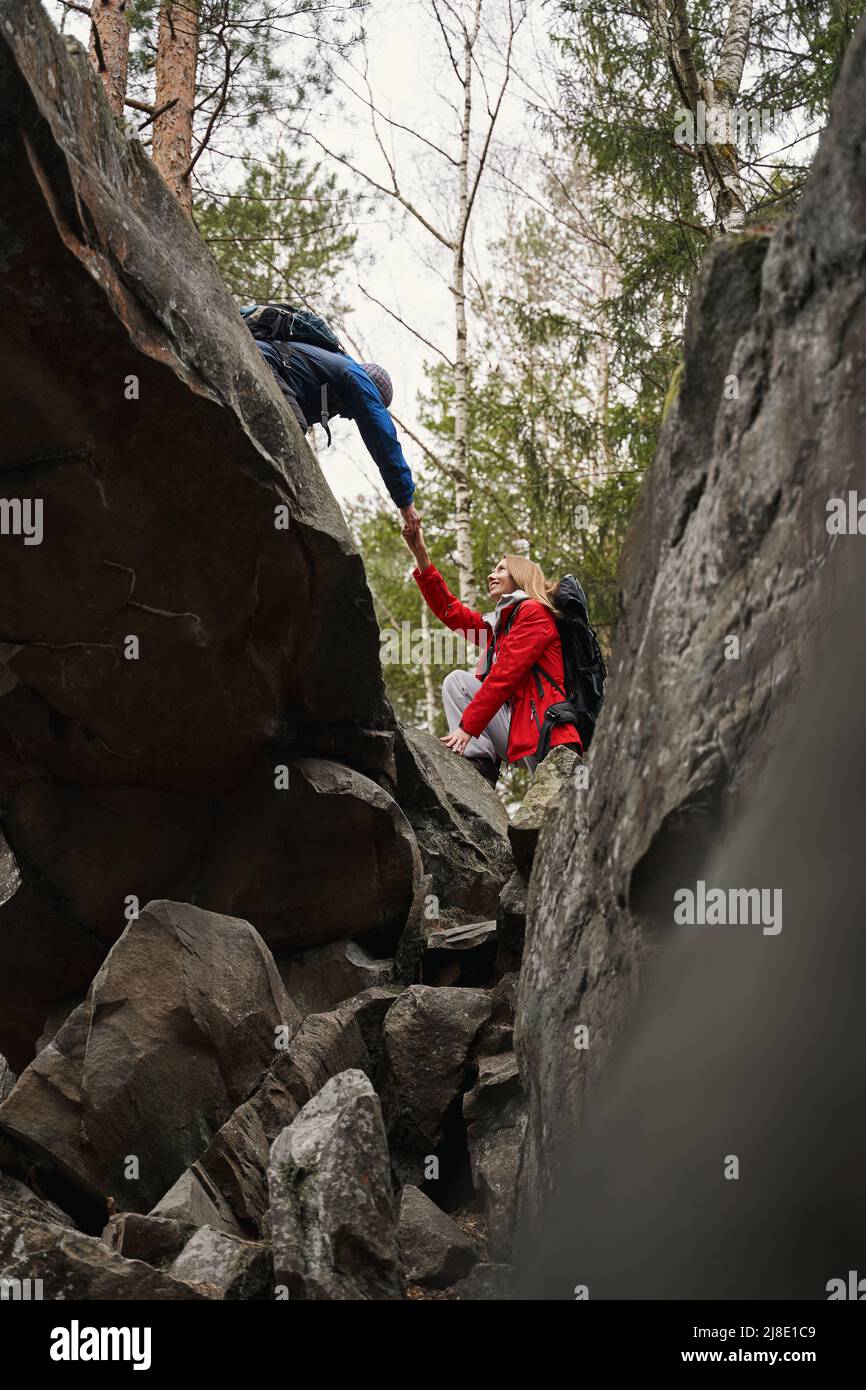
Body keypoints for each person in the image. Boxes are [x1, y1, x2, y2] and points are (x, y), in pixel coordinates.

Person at [403, 523, 582, 784]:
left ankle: (477, 756)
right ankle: (481, 764)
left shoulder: (533, 613)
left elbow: (504, 675)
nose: (491, 575)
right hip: (520, 727)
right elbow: (450, 611)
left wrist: (467, 729)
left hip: (549, 731)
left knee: (559, 815)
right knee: (457, 682)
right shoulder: (500, 628)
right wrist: (420, 554)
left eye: (501, 569)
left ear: (520, 576)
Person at [256, 337, 421, 534]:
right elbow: (382, 436)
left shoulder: (328, 376)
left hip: (265, 361)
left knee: (291, 436)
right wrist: (406, 502)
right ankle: (274, 525)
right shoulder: (356, 376)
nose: (352, 417)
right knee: (289, 436)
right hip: (263, 360)